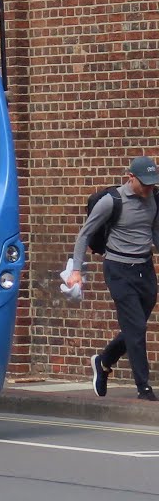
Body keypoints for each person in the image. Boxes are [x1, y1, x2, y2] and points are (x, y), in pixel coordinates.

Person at [65, 155, 159, 400]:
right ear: (130, 177)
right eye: (145, 183)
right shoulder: (111, 201)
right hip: (118, 269)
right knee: (136, 329)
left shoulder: (155, 198)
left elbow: (155, 232)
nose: (149, 187)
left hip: (145, 269)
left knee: (134, 327)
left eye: (153, 183)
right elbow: (85, 235)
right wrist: (76, 271)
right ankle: (144, 387)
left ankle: (104, 361)